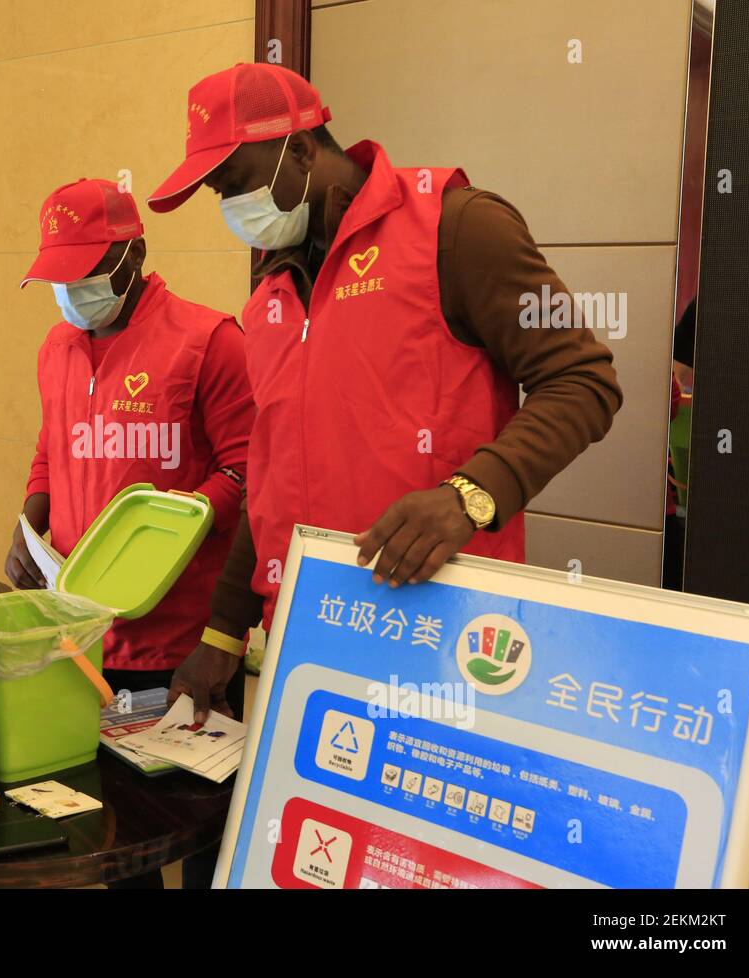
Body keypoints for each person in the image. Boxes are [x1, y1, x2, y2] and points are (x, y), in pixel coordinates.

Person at [147, 63, 622, 721]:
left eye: (237, 183)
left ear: (303, 148)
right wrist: (223, 632)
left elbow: (583, 381)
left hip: (444, 639)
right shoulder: (269, 300)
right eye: (219, 193)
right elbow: (271, 472)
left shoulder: (457, 228)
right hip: (310, 638)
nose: (231, 207)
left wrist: (468, 496)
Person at [5, 178, 255, 888]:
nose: (70, 291)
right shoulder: (58, 345)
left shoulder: (209, 340)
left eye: (85, 274)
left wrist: (176, 526)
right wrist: (32, 518)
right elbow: (52, 443)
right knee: (114, 838)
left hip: (180, 645)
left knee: (199, 827)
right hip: (80, 639)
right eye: (58, 277)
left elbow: (248, 467)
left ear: (133, 255)